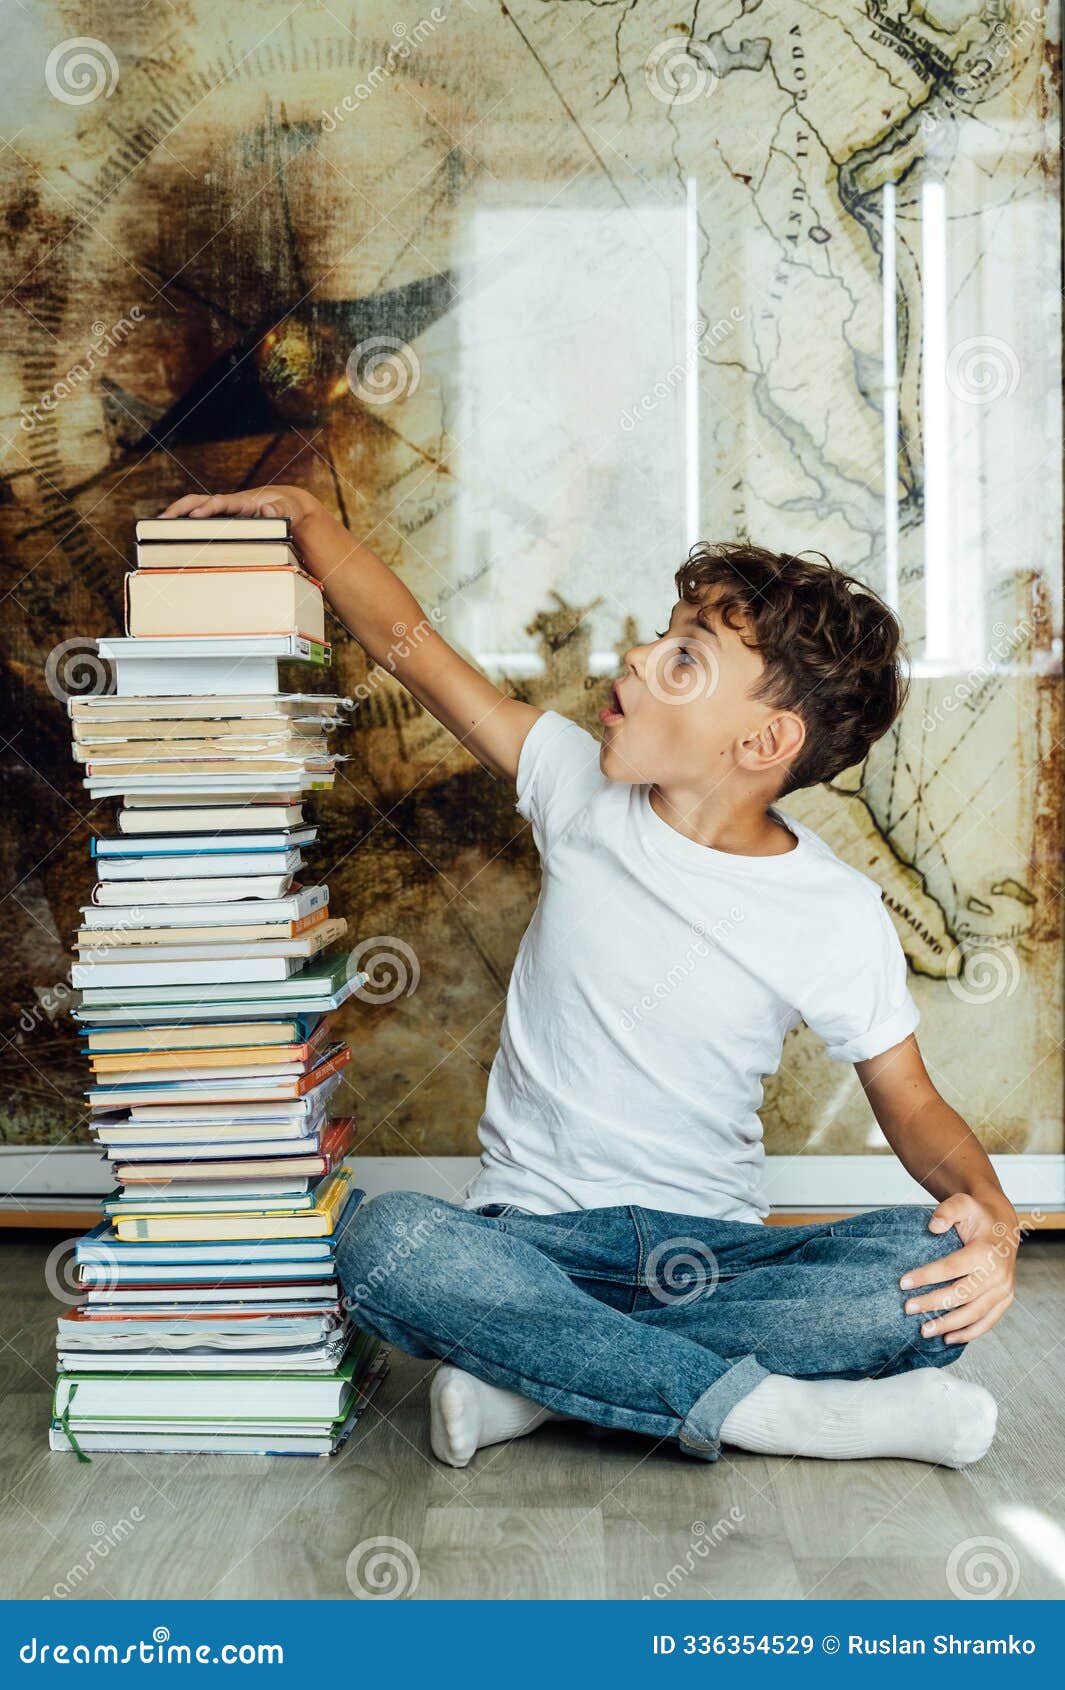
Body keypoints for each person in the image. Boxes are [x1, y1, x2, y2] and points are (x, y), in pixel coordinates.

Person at [161, 484, 1017, 1470]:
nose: (637, 657)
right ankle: (769, 1409)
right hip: (530, 1243)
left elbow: (910, 1104)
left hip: (714, 1260)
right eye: (661, 634)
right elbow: (416, 645)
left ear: (765, 742)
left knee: (927, 1265)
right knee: (382, 1242)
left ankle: (535, 1382)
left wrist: (989, 1220)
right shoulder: (577, 785)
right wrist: (312, 519)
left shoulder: (835, 912)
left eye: (684, 657)